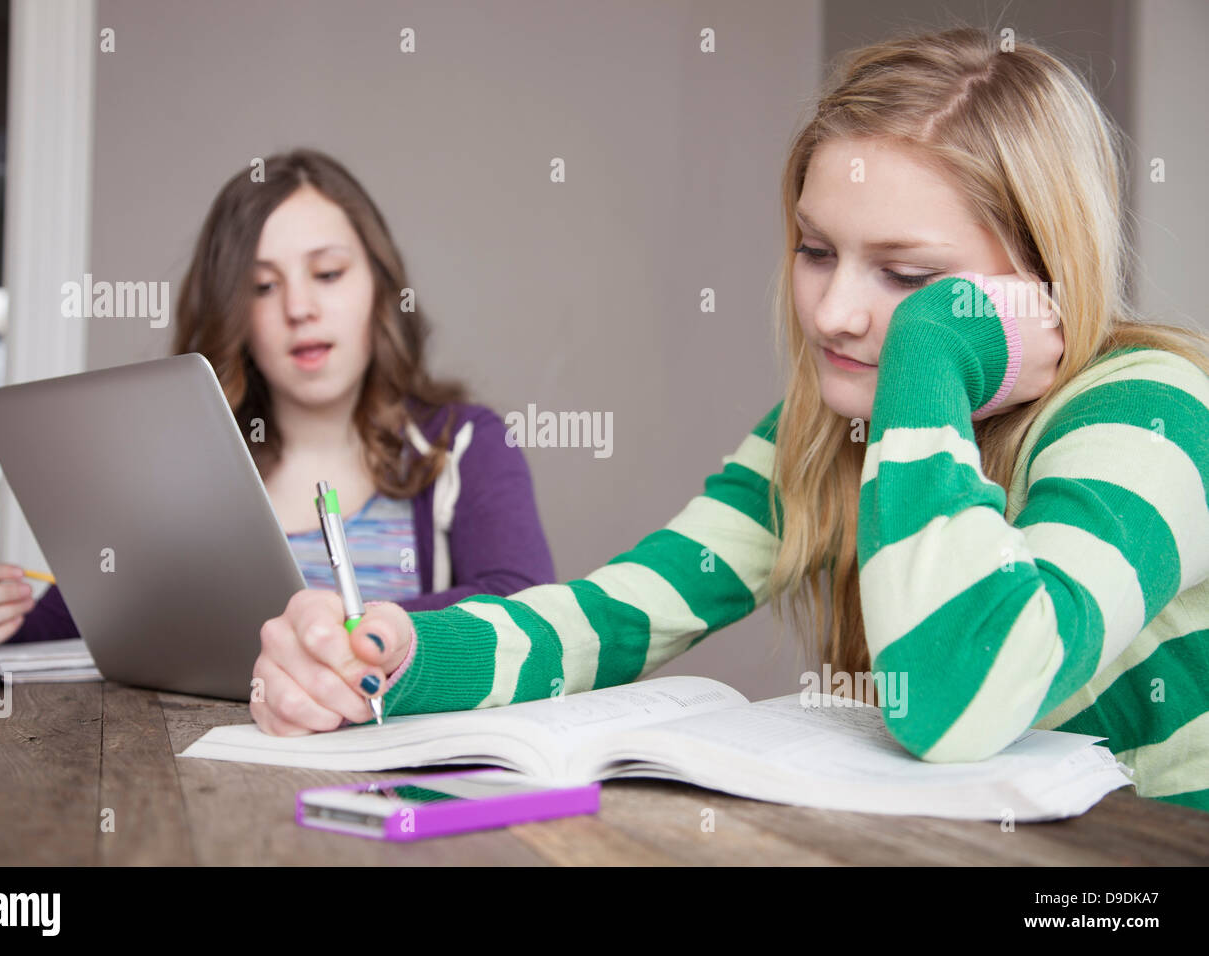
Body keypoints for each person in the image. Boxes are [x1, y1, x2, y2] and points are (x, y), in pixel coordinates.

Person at [254, 27, 1209, 812]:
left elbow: (963, 699)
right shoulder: (823, 433)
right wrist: (402, 654)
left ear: (1041, 275)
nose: (835, 313)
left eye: (910, 279)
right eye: (815, 250)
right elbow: (619, 614)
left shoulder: (1150, 414)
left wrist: (932, 347)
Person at [0, 149, 555, 645]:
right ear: (236, 315)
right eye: (263, 286)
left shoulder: (467, 445)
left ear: (379, 286)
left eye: (329, 273)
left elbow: (524, 606)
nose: (299, 308)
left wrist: (332, 629)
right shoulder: (174, 473)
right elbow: (62, 630)